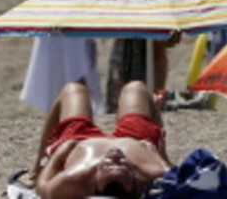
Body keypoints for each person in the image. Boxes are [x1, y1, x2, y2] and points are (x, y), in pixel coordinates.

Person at [20, 80, 172, 199]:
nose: (115, 155)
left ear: (94, 180)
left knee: (73, 89)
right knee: (136, 87)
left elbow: (43, 186)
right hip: (135, 139)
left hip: (79, 140)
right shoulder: (152, 176)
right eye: (124, 165)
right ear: (134, 180)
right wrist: (158, 154)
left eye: (108, 165)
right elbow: (177, 177)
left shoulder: (74, 181)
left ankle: (33, 172)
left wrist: (60, 153)